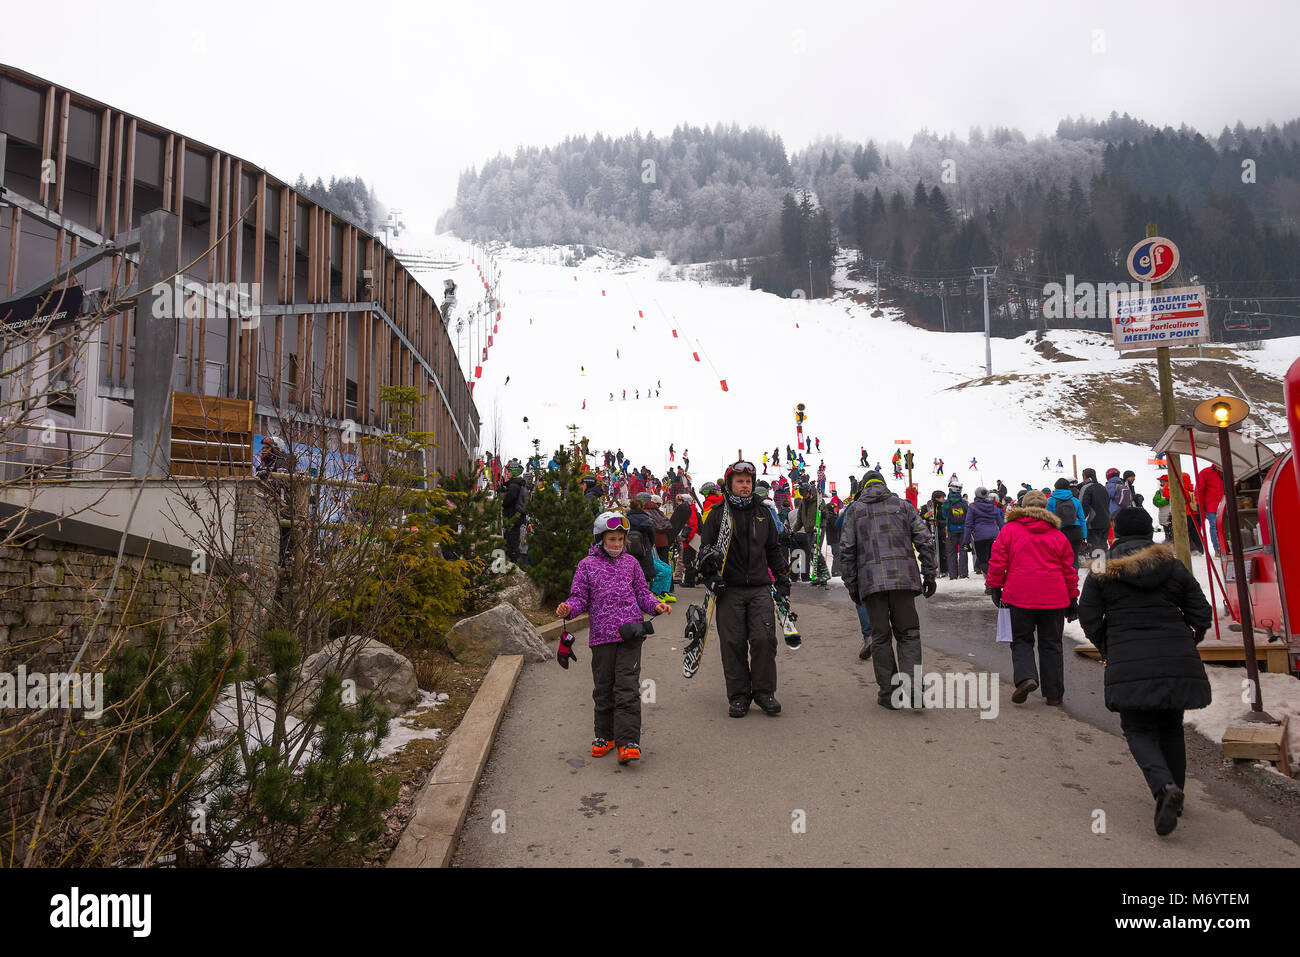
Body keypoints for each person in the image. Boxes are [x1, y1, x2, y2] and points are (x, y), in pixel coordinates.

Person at [1078, 507, 1212, 836]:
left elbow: (1089, 618)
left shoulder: (1102, 568)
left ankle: (1165, 788)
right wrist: (1190, 638)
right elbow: (1201, 611)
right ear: (1150, 532)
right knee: (1170, 726)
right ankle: (1175, 792)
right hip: (1175, 655)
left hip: (1128, 655)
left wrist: (1107, 647)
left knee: (1137, 728)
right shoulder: (1171, 565)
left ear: (1116, 533)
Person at [556, 512, 671, 765]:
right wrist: (568, 608)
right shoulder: (586, 566)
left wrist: (655, 605)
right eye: (612, 540)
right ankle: (604, 736)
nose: (617, 544)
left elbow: (642, 592)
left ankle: (628, 741)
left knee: (627, 687)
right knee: (604, 687)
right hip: (601, 637)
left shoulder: (632, 563)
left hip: (631, 634)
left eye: (621, 540)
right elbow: (579, 598)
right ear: (600, 539)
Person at [697, 460, 791, 717]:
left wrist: (782, 579)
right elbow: (704, 552)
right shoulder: (717, 514)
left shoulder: (763, 513)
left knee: (764, 640)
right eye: (739, 481)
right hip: (729, 590)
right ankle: (739, 696)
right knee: (733, 643)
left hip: (760, 586)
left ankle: (764, 692)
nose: (745, 486)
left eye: (748, 481)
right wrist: (711, 577)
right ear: (729, 485)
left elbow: (773, 549)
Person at [839, 471, 937, 710]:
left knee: (881, 638)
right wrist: (930, 573)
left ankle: (889, 693)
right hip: (903, 582)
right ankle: (912, 684)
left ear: (863, 487)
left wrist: (852, 584)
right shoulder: (902, 506)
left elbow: (846, 550)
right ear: (883, 484)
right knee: (909, 634)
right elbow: (925, 539)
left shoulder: (854, 510)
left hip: (871, 585)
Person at [985, 490, 1079, 706]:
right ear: (1046, 508)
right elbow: (1068, 569)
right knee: (1052, 644)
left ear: (1023, 507)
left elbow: (997, 559)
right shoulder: (1057, 534)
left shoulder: (1010, 530)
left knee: (1021, 640)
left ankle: (1026, 677)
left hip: (1019, 595)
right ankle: (1054, 694)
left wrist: (995, 586)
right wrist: (1073, 597)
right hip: (1054, 597)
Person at [962, 486, 1005, 575]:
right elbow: (1000, 523)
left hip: (980, 536)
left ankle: (992, 581)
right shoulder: (993, 507)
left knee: (983, 562)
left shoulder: (973, 507)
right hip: (994, 536)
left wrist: (965, 541)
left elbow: (968, 525)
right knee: (992, 560)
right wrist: (1006, 537)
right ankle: (994, 581)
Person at [1046, 477, 1087, 562]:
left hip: (1060, 532)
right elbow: (1082, 519)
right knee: (1074, 559)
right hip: (1076, 532)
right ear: (1068, 488)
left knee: (1060, 560)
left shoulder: (1050, 501)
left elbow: (1047, 519)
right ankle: (1075, 574)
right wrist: (1084, 536)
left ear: (1056, 488)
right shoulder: (1075, 500)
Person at [1079, 468, 1111, 555]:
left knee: (1095, 551)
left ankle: (1097, 568)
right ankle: (1106, 567)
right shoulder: (1103, 488)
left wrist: (1080, 522)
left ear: (1084, 477)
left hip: (1093, 523)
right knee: (1103, 548)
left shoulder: (1086, 488)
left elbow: (1082, 508)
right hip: (1106, 522)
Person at [942, 479, 969, 578]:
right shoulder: (964, 502)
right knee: (963, 551)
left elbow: (944, 515)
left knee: (952, 552)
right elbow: (968, 514)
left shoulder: (946, 502)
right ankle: (963, 573)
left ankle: (953, 575)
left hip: (951, 530)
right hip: (963, 530)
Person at [1196, 463, 1224, 554]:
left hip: (1224, 505)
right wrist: (1201, 506)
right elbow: (1199, 490)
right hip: (1212, 506)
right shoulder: (1206, 472)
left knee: (1222, 526)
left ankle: (1225, 547)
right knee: (1215, 527)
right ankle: (1218, 548)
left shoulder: (1229, 470)